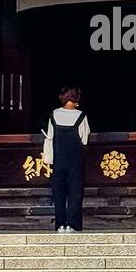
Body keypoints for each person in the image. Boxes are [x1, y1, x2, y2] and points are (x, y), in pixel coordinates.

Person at [42, 86, 90, 233]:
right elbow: (85, 138)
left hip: (58, 159)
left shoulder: (54, 114)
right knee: (75, 192)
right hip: (76, 159)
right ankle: (73, 224)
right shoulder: (81, 116)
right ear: (76, 99)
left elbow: (49, 137)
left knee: (59, 193)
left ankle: (60, 225)